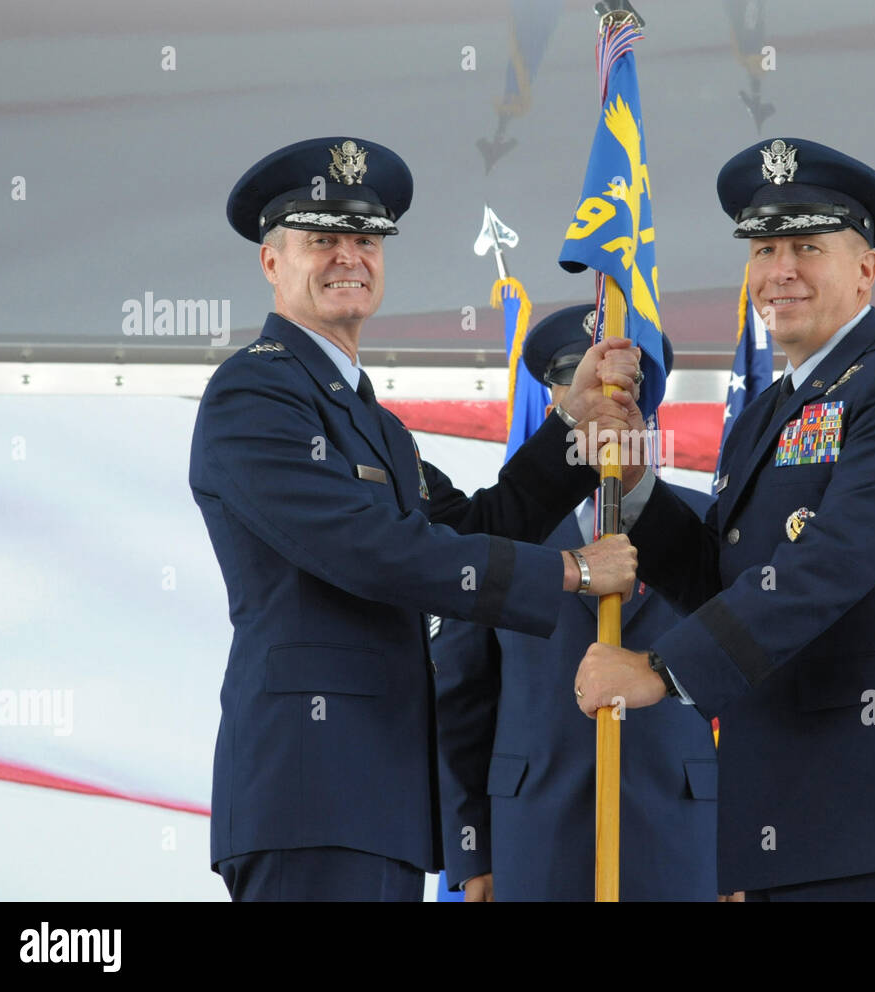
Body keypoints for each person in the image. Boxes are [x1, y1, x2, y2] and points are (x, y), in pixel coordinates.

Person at [189, 137, 641, 901]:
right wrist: (570, 570)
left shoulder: (375, 425)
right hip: (311, 795)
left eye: (364, 239)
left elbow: (470, 529)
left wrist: (573, 427)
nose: (347, 257)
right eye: (321, 239)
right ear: (273, 263)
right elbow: (371, 549)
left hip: (381, 805)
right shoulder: (252, 396)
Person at [573, 138, 875, 901]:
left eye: (808, 245)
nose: (782, 270)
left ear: (866, 268)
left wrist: (661, 669)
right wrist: (637, 484)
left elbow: (828, 565)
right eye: (765, 247)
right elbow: (722, 575)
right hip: (778, 820)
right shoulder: (767, 410)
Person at [433, 305, 718, 902]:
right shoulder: (504, 527)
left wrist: (745, 851)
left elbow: (750, 684)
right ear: (555, 398)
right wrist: (471, 850)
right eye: (578, 382)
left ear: (651, 399)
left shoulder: (703, 524)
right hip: (532, 833)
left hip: (682, 831)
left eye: (623, 388)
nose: (599, 403)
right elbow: (462, 693)